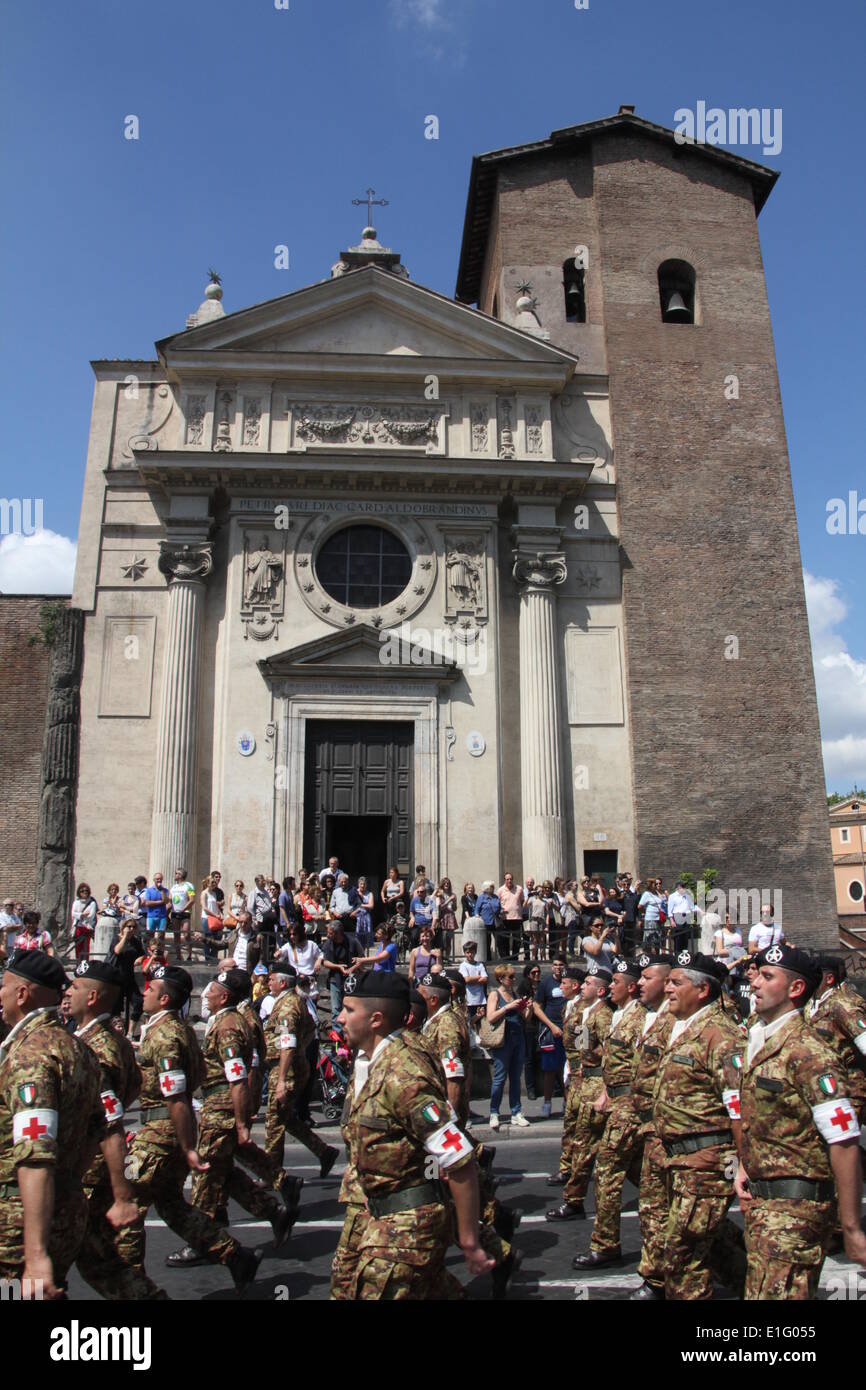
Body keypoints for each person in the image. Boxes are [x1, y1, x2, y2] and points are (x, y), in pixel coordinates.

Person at [99, 964, 262, 1297]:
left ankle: (134, 1287)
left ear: (164, 998)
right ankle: (233, 1254)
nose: (143, 992)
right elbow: (199, 1075)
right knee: (172, 1205)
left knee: (127, 1198)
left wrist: (188, 1146)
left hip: (158, 1134)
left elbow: (176, 1094)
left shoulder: (166, 1034)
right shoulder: (177, 1029)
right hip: (165, 1131)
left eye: (150, 987)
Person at [335, 970, 492, 1298]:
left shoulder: (403, 1075)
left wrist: (468, 1240)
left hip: (405, 1228)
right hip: (381, 1213)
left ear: (376, 1019)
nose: (340, 1017)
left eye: (349, 1010)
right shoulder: (373, 1061)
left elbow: (458, 1159)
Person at [735, 943, 866, 1298]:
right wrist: (745, 1167)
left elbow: (843, 1139)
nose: (755, 984)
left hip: (796, 1210)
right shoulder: (760, 1038)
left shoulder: (810, 1051)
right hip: (766, 1205)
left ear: (795, 989)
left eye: (767, 976)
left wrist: (852, 1228)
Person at [0, 951, 115, 1297]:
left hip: (18, 1224)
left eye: (3, 987)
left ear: (22, 994)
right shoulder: (78, 1049)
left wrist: (35, 1256)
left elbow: (36, 1156)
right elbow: (98, 1128)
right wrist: (67, 1183)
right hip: (62, 1207)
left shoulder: (30, 1056)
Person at [166, 968, 293, 1268]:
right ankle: (275, 1211)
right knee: (226, 1175)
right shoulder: (224, 1021)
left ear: (224, 996)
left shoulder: (228, 1027)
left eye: (210, 991)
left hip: (221, 1108)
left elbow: (237, 1078)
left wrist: (240, 1122)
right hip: (217, 1104)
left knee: (206, 1174)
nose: (205, 995)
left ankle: (201, 1242)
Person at [651, 951, 746, 1300]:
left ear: (703, 990)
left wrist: (740, 1168)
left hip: (706, 1165)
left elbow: (739, 1109)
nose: (667, 989)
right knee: (715, 1247)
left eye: (677, 982)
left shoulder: (720, 1035)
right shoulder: (686, 1028)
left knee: (682, 1257)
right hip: (682, 1164)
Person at [64, 958, 144, 1298]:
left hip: (88, 1172)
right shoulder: (99, 1039)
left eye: (76, 987)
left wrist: (122, 1194)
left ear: (93, 997)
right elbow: (136, 1085)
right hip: (84, 1169)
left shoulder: (97, 1047)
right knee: (96, 1261)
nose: (67, 993)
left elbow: (111, 1122)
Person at [573, 957, 647, 1269]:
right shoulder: (613, 1015)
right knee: (642, 1175)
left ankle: (605, 1244)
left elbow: (639, 1065)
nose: (610, 987)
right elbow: (607, 1057)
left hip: (626, 1104)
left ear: (630, 987)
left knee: (604, 1168)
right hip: (609, 1094)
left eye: (615, 982)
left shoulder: (636, 1017)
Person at [259, 966, 337, 1185]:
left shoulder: (287, 1007)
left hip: (285, 1068)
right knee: (286, 1118)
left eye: (272, 979)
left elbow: (288, 1044)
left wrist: (282, 1079)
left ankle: (272, 1174)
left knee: (274, 1121)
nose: (268, 983)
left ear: (283, 983)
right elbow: (309, 1029)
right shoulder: (291, 1002)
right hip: (290, 1065)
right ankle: (323, 1151)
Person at [548, 961, 613, 1221]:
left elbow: (609, 1054)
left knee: (586, 1142)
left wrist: (601, 1083)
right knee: (575, 1131)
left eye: (587, 983)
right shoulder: (581, 1011)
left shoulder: (603, 1014)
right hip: (579, 1076)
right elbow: (580, 1045)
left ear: (599, 990)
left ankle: (573, 1200)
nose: (581, 986)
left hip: (594, 1082)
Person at [630, 952, 676, 1300]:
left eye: (648, 977)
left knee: (675, 1214)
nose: (640, 983)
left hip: (675, 1136)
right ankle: (656, 1277)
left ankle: (658, 1278)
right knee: (654, 1206)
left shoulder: (678, 1022)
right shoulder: (646, 1017)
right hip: (649, 1126)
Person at [807, 953, 866, 1119]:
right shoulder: (809, 1005)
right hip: (821, 1087)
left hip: (848, 1088)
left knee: (845, 1140)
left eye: (815, 975)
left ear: (829, 978)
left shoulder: (841, 1006)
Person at [485, 965, 531, 1130]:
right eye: (510, 977)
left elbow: (525, 1017)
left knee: (516, 1077)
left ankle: (516, 1112)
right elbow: (490, 1017)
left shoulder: (515, 994)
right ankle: (494, 1112)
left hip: (518, 1037)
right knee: (499, 1078)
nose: (513, 979)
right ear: (501, 979)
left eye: (513, 976)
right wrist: (507, 1007)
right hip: (503, 1039)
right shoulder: (494, 995)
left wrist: (527, 1008)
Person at [533, 954, 569, 1117]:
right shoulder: (546, 983)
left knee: (567, 1069)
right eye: (555, 964)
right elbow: (537, 1007)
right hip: (550, 1032)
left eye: (561, 964)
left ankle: (567, 1102)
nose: (558, 967)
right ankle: (547, 1103)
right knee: (549, 1069)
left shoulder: (570, 981)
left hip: (569, 1031)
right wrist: (551, 1026)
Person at [109, 916, 146, 1035]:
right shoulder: (117, 938)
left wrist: (140, 958)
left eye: (133, 927)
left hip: (129, 977)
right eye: (128, 926)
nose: (131, 929)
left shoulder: (136, 941)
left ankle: (130, 1032)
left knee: (139, 1002)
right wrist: (124, 936)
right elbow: (117, 951)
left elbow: (142, 954)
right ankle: (116, 1032)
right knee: (116, 1008)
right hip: (116, 977)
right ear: (123, 927)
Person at [321, 919, 363, 1020]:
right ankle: (337, 1034)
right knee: (336, 1009)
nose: (328, 935)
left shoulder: (353, 942)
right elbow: (325, 962)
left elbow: (362, 959)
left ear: (338, 933)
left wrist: (352, 969)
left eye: (330, 933)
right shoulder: (328, 944)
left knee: (351, 1008)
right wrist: (338, 967)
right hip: (335, 979)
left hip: (352, 981)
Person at [275, 921, 323, 998]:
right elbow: (281, 951)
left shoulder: (311, 945)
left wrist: (318, 961)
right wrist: (278, 953)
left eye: (294, 934)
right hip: (297, 981)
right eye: (290, 934)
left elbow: (321, 955)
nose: (291, 936)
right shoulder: (289, 946)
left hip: (310, 980)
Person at [168, 868, 196, 963]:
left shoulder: (189, 886)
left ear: (180, 875)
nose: (175, 875)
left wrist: (183, 909)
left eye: (176, 873)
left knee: (186, 934)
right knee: (176, 935)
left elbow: (192, 900)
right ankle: (178, 956)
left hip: (185, 913)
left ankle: (189, 955)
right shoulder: (173, 887)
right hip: (175, 913)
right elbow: (170, 901)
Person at [458, 940, 488, 1023]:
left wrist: (472, 979)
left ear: (475, 952)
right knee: (470, 1022)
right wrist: (479, 977)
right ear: (464, 953)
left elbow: (485, 979)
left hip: (481, 1000)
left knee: (481, 1022)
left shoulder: (480, 965)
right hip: (469, 1000)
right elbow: (466, 980)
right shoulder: (463, 966)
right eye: (467, 952)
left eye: (472, 952)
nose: (470, 954)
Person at [497, 873, 525, 961]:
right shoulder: (500, 890)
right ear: (504, 880)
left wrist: (518, 909)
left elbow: (522, 901)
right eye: (507, 879)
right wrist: (501, 910)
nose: (509, 881)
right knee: (505, 939)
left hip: (517, 918)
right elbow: (497, 903)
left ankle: (515, 957)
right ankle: (506, 958)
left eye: (511, 879)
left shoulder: (519, 889)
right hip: (505, 919)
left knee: (517, 940)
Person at [71, 882, 98, 962]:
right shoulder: (76, 902)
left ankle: (85, 965)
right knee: (78, 948)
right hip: (78, 928)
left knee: (86, 948)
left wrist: (80, 915)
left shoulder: (92, 903)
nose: (84, 892)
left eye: (86, 890)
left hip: (87, 928)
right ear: (79, 892)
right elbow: (73, 913)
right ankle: (78, 964)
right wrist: (82, 915)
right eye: (82, 891)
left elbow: (91, 915)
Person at [434, 878, 458, 961]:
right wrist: (449, 900)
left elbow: (455, 908)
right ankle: (441, 958)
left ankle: (447, 957)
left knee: (449, 940)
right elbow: (440, 907)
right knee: (443, 939)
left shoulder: (453, 894)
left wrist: (454, 902)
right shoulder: (440, 894)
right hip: (443, 917)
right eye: (445, 883)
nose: (446, 885)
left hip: (450, 917)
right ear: (442, 885)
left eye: (448, 883)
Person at [637, 878, 665, 950]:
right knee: (650, 937)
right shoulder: (647, 894)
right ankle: (649, 953)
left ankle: (657, 953)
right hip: (651, 918)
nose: (656, 885)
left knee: (658, 937)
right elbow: (640, 906)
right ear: (651, 885)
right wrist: (644, 912)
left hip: (658, 918)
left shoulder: (656, 893)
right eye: (655, 884)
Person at [408, 881, 437, 950]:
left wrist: (432, 927)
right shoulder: (414, 900)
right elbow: (411, 912)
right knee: (413, 937)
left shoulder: (431, 901)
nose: (419, 893)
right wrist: (412, 918)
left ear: (425, 892)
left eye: (421, 892)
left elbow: (435, 916)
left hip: (428, 925)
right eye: (418, 892)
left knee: (430, 938)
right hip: (417, 925)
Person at [476, 881, 500, 958]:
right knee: (487, 942)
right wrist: (477, 916)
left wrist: (502, 912)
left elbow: (499, 907)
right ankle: (488, 958)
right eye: (491, 887)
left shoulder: (495, 897)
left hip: (495, 922)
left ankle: (500, 957)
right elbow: (477, 909)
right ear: (486, 888)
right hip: (485, 922)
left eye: (493, 887)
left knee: (499, 940)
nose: (493, 888)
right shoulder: (481, 897)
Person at [355, 877, 374, 950]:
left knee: (365, 938)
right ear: (358, 884)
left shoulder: (369, 893)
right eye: (361, 884)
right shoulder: (355, 892)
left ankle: (363, 954)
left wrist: (361, 903)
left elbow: (371, 905)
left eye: (364, 884)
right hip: (357, 916)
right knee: (357, 936)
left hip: (366, 917)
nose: (362, 886)